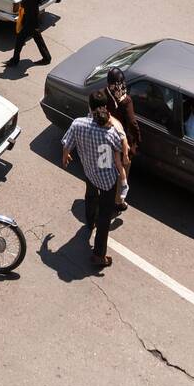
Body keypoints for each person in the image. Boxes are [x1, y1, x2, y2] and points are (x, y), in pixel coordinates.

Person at [61, 94, 123, 270]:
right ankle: (98, 255)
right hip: (107, 179)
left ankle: (89, 221)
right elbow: (118, 156)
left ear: (89, 107)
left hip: (89, 170)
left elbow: (67, 143)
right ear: (105, 108)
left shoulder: (78, 124)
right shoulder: (111, 132)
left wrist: (65, 156)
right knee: (105, 216)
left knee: (90, 194)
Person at [103, 68, 140, 214]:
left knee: (105, 168)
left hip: (105, 140)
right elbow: (132, 124)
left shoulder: (103, 93)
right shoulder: (125, 100)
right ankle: (118, 202)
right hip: (120, 144)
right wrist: (137, 140)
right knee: (122, 173)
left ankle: (105, 195)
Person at [5, 0, 52, 66]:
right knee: (37, 38)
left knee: (20, 39)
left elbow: (30, 7)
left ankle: (15, 60)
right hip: (30, 17)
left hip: (30, 19)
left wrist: (26, 22)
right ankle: (47, 58)